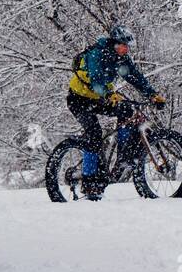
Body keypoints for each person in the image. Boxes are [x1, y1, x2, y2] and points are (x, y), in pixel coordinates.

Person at [67, 24, 166, 196]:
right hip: (79, 100)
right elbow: (96, 81)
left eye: (127, 47)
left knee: (127, 111)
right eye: (123, 45)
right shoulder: (96, 54)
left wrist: (152, 95)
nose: (126, 49)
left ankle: (123, 158)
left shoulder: (121, 59)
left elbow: (135, 77)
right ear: (114, 43)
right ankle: (89, 179)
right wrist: (108, 93)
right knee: (94, 133)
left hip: (99, 99)